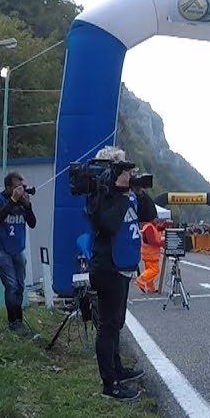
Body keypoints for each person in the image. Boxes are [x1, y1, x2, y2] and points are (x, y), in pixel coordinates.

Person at [86, 146, 157, 401]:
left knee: (117, 323)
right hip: (107, 267)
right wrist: (122, 196)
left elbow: (149, 215)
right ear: (111, 171)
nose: (129, 173)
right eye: (124, 169)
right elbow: (107, 225)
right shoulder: (100, 196)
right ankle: (110, 384)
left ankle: (117, 370)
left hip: (124, 266)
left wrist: (139, 191)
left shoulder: (127, 195)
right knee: (107, 326)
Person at [0, 171, 37, 334]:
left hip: (17, 248)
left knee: (20, 285)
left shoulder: (22, 202)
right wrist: (13, 200)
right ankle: (12, 322)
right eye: (17, 188)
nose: (20, 191)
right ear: (8, 188)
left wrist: (27, 206)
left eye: (22, 187)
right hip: (1, 248)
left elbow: (33, 223)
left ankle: (19, 320)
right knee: (11, 285)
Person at [136, 217, 164, 294]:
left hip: (148, 254)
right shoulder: (149, 227)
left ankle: (150, 288)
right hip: (150, 255)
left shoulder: (150, 226)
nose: (157, 219)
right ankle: (140, 280)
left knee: (149, 270)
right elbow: (152, 242)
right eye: (155, 218)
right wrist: (162, 244)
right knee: (154, 270)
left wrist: (165, 225)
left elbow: (159, 228)